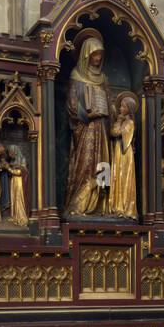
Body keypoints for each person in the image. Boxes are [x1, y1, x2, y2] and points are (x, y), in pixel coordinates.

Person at [65, 34, 111, 216]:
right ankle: (78, 205)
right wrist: (87, 114)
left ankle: (102, 204)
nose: (98, 58)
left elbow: (109, 101)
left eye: (100, 54)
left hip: (103, 128)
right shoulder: (76, 75)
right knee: (85, 163)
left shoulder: (104, 79)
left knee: (103, 163)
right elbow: (71, 104)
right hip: (85, 128)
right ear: (86, 54)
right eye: (95, 54)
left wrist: (111, 111)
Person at [108, 93, 138, 219]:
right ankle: (117, 206)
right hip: (119, 151)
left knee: (124, 177)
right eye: (120, 107)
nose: (120, 109)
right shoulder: (123, 121)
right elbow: (112, 132)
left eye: (122, 107)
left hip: (125, 153)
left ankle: (126, 207)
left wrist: (119, 121)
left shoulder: (129, 122)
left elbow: (116, 133)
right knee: (117, 175)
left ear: (128, 109)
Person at [5, 145, 28, 226]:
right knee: (13, 198)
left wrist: (9, 169)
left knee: (18, 198)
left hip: (19, 182)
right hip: (13, 181)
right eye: (9, 152)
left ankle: (20, 216)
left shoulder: (22, 159)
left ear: (15, 151)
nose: (10, 154)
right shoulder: (13, 161)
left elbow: (19, 172)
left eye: (11, 152)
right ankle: (14, 215)